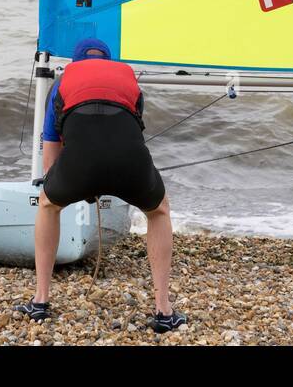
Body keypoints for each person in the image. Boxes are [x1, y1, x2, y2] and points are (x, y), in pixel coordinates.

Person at [15, 37, 186, 333]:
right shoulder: (129, 82)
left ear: (76, 62)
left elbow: (50, 163)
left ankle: (41, 301)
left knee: (47, 204)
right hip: (128, 160)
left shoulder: (61, 85)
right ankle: (164, 311)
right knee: (158, 210)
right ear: (109, 61)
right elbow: (127, 135)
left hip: (78, 163)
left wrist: (75, 184)